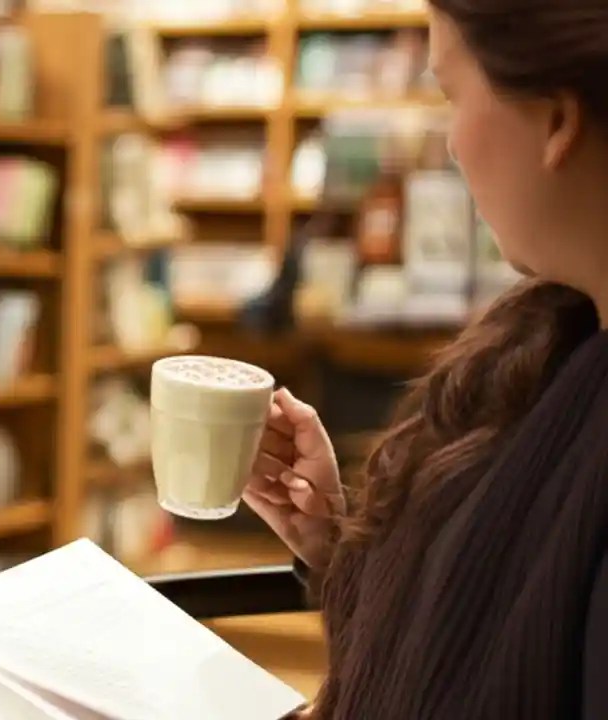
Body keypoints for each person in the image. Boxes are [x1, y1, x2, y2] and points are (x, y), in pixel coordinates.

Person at [242, 2, 608, 718]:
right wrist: (341, 546)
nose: (451, 145)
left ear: (557, 121)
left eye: (451, 95)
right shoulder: (555, 346)